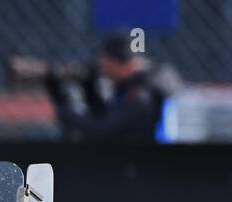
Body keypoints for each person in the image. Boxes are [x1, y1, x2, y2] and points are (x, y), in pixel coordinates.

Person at [42, 33, 180, 144]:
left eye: (106, 63)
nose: (103, 69)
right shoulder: (141, 84)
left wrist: (66, 112)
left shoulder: (141, 95)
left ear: (122, 63)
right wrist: (89, 89)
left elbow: (105, 132)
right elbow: (107, 117)